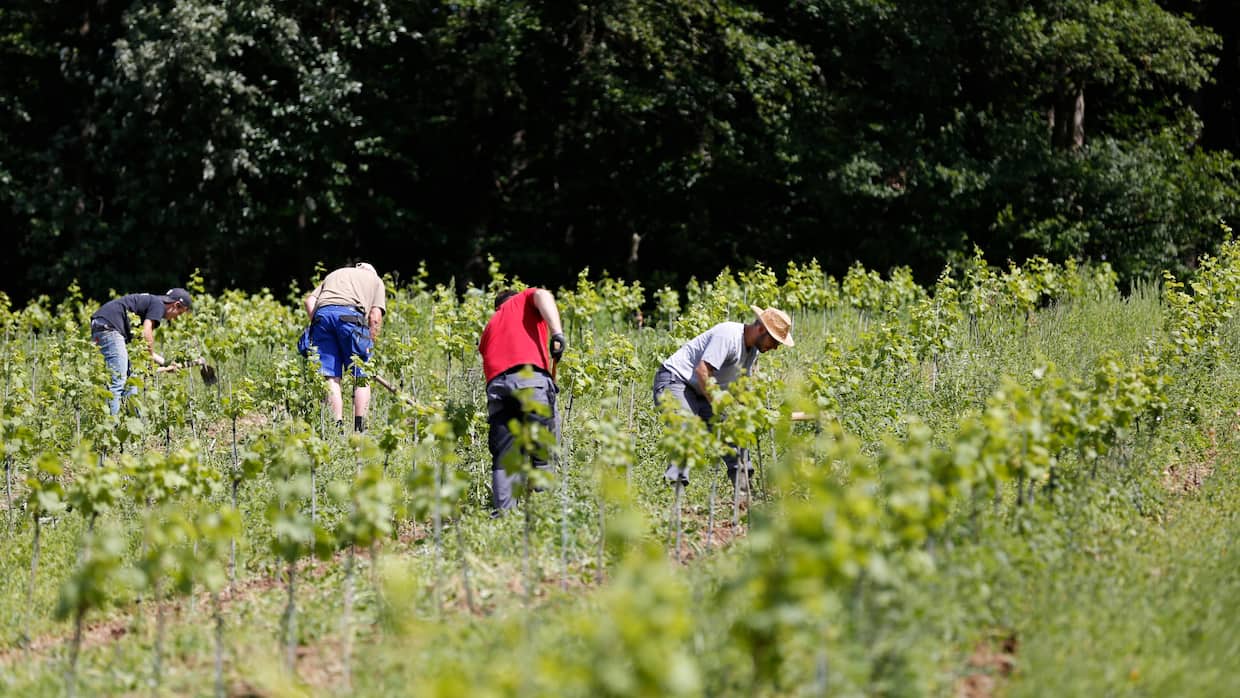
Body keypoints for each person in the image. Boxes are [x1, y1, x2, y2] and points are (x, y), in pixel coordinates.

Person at [653, 304, 793, 487]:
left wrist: (757, 411)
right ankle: (673, 490)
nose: (774, 348)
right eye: (774, 341)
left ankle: (743, 492)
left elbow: (741, 388)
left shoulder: (752, 351)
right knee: (686, 427)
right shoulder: (728, 335)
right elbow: (703, 371)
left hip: (703, 390)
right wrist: (719, 406)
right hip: (676, 380)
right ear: (761, 329)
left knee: (733, 431)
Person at [478, 287, 566, 514]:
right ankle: (544, 515)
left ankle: (503, 520)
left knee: (505, 458)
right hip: (529, 380)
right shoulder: (523, 300)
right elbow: (544, 295)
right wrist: (557, 333)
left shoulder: (489, 328)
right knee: (543, 452)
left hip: (498, 389)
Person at [302, 262, 386, 433]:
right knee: (362, 374)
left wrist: (320, 324)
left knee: (331, 376)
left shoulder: (335, 274)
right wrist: (369, 343)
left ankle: (336, 429)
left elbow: (309, 301)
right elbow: (375, 317)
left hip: (322, 317)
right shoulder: (375, 280)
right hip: (351, 317)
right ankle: (359, 429)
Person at [90, 288, 194, 415]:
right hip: (109, 327)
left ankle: (134, 424)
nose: (175, 318)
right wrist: (150, 363)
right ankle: (111, 427)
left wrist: (166, 363)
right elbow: (147, 334)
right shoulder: (158, 305)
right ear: (176, 305)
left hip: (104, 325)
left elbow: (142, 344)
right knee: (118, 381)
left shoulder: (146, 307)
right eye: (179, 314)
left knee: (131, 382)